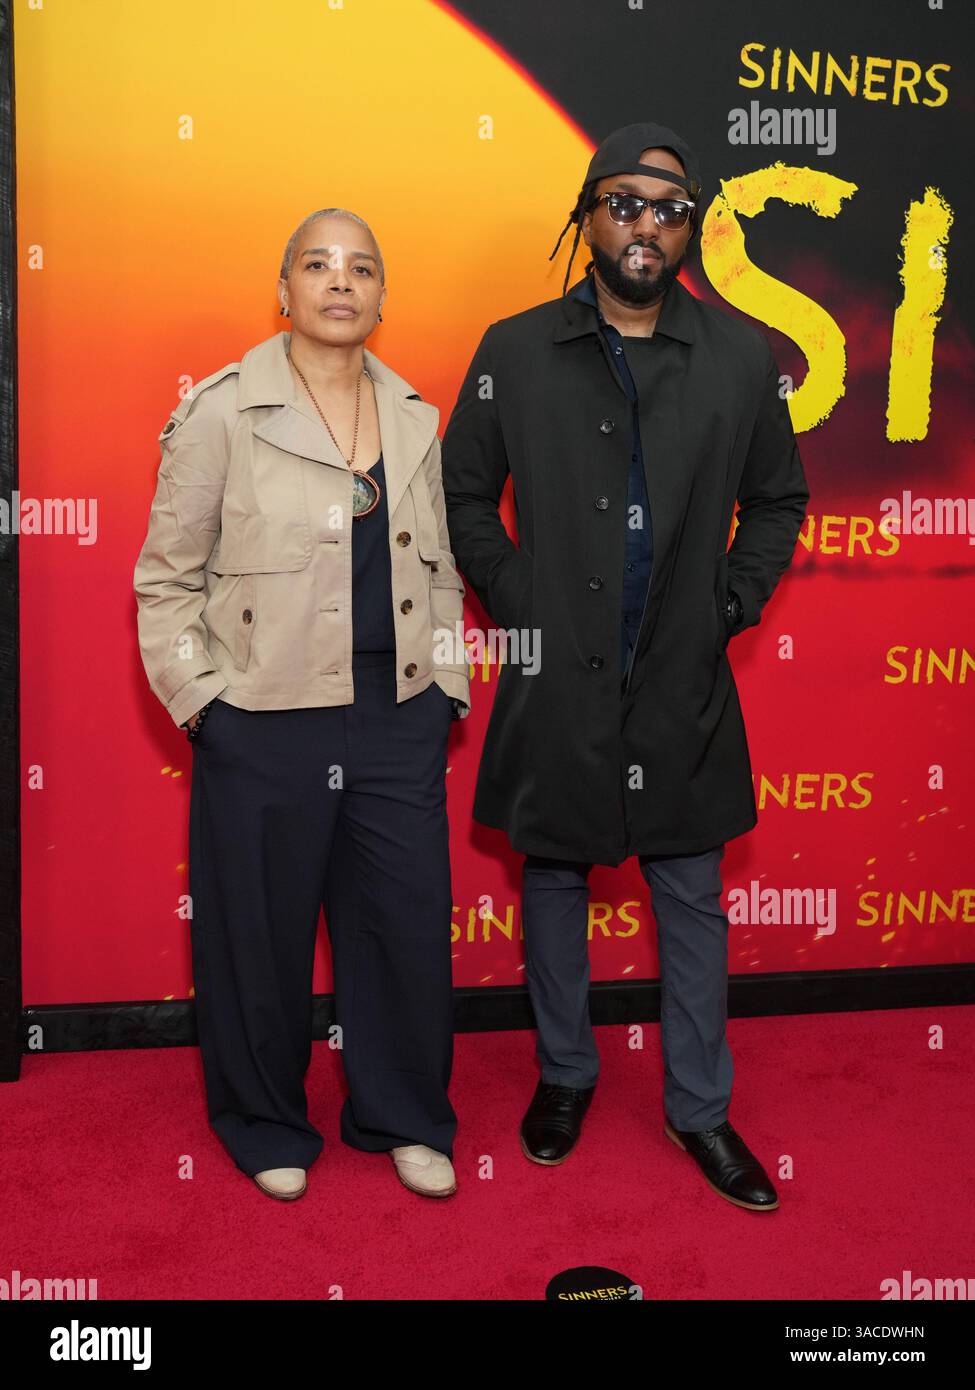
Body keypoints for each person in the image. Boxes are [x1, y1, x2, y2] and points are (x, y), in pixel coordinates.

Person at [441, 122, 810, 1212]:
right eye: (625, 202)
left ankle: (700, 1107)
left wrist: (728, 603)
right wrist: (519, 599)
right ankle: (565, 1074)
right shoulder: (513, 350)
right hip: (558, 677)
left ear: (690, 229)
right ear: (586, 217)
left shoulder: (743, 358)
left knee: (691, 896)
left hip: (680, 679)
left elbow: (780, 498)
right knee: (553, 880)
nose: (647, 224)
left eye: (670, 207)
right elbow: (463, 494)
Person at [134, 208, 470, 1202]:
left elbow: (442, 568)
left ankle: (403, 1113)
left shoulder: (417, 416)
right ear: (283, 289)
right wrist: (208, 708)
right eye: (317, 264)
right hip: (264, 711)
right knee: (259, 930)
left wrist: (445, 685)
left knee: (404, 924)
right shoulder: (222, 411)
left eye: (361, 267)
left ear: (379, 293)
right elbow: (165, 582)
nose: (340, 281)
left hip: (396, 711)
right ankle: (266, 1119)